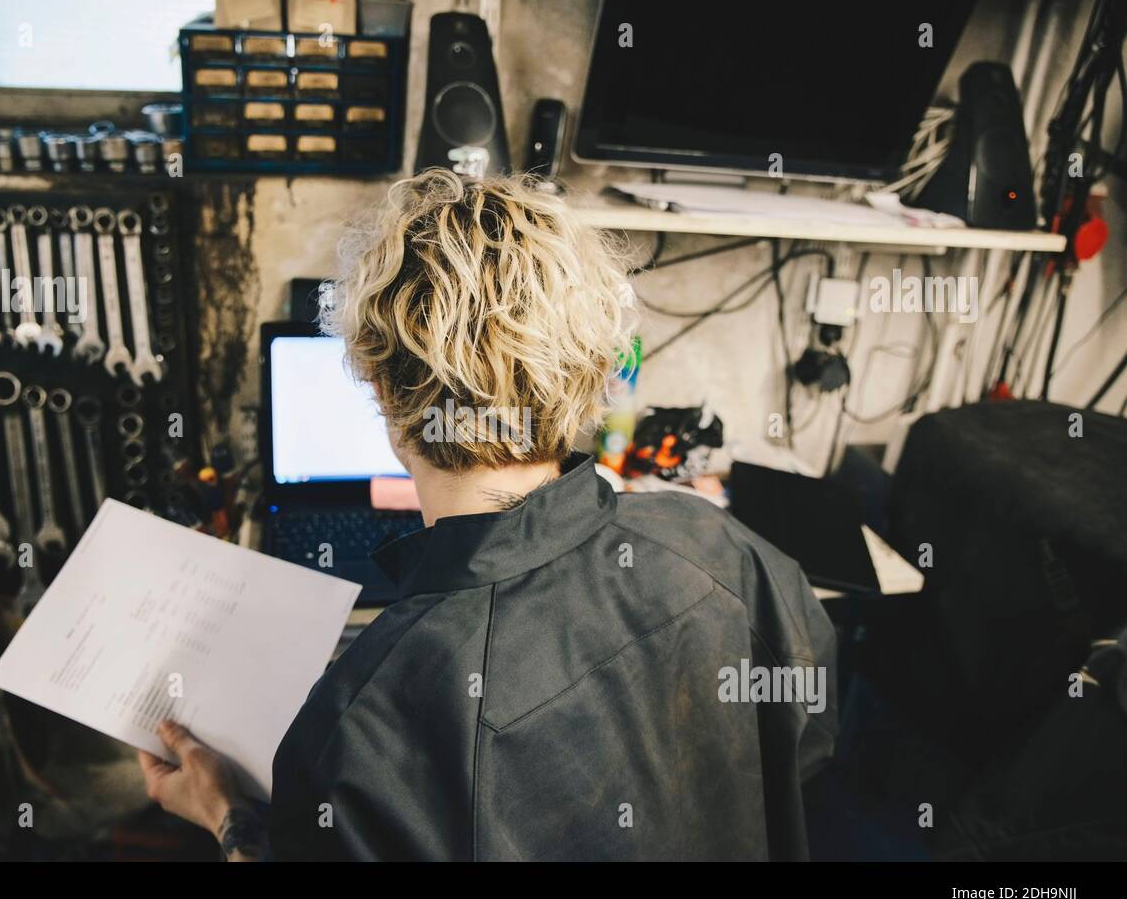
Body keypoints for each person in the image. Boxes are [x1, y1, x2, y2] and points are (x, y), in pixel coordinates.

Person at [139, 169, 837, 861]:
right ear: (588, 370)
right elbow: (808, 745)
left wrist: (229, 816)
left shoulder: (356, 731)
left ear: (381, 389)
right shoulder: (725, 551)